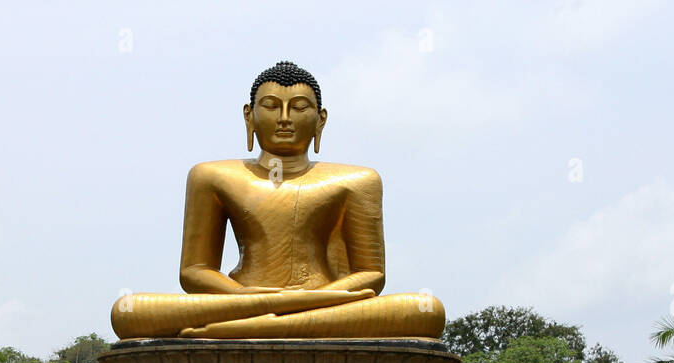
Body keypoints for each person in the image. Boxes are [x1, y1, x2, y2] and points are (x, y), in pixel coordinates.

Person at [109, 60, 445, 340]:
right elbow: (194, 271)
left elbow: (371, 273)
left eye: (299, 107)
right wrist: (247, 298)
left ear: (321, 119)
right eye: (270, 106)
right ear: (249, 116)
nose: (284, 117)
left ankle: (246, 329)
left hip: (325, 303)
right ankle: (273, 322)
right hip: (240, 300)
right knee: (129, 311)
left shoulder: (357, 181)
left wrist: (309, 298)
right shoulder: (211, 176)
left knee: (424, 310)